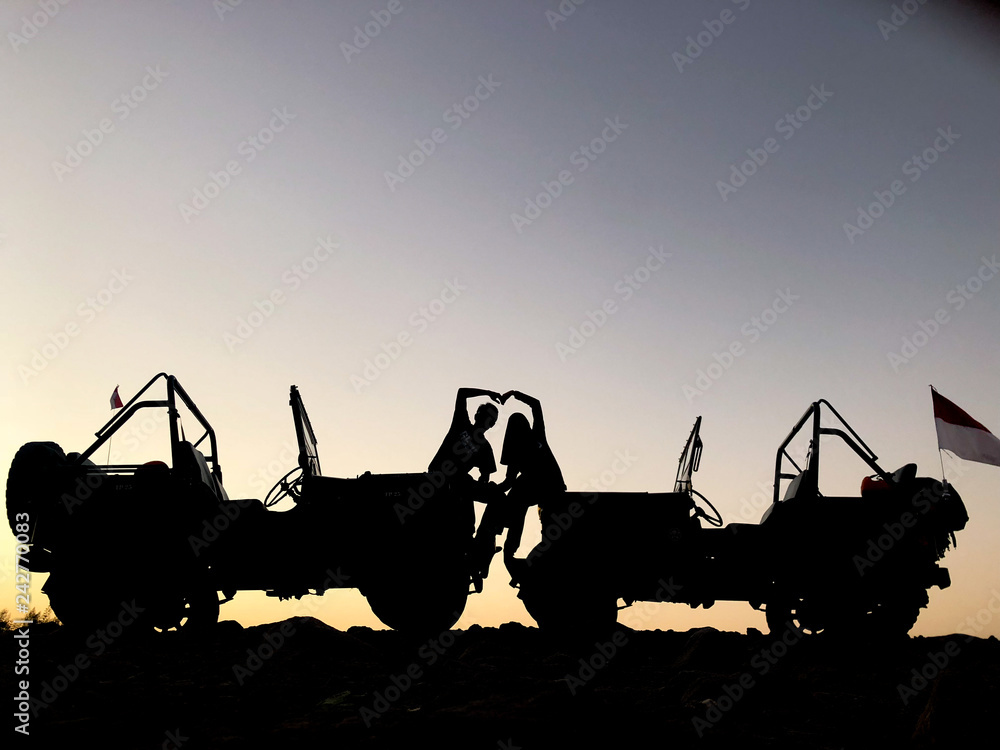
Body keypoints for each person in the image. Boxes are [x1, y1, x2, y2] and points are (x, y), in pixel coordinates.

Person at [475, 389, 565, 584]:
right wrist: (492, 492)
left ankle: (505, 549)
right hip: (537, 489)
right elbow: (507, 483)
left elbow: (536, 405)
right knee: (514, 498)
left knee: (517, 495)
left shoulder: (537, 435)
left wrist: (515, 394)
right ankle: (499, 549)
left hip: (551, 486)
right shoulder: (517, 455)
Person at [428, 387, 502, 484]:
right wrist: (488, 393)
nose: (487, 422)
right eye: (486, 416)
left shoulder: (485, 449)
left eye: (491, 420)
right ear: (477, 416)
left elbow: (485, 478)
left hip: (454, 485)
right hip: (434, 476)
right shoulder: (461, 423)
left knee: (466, 480)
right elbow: (462, 392)